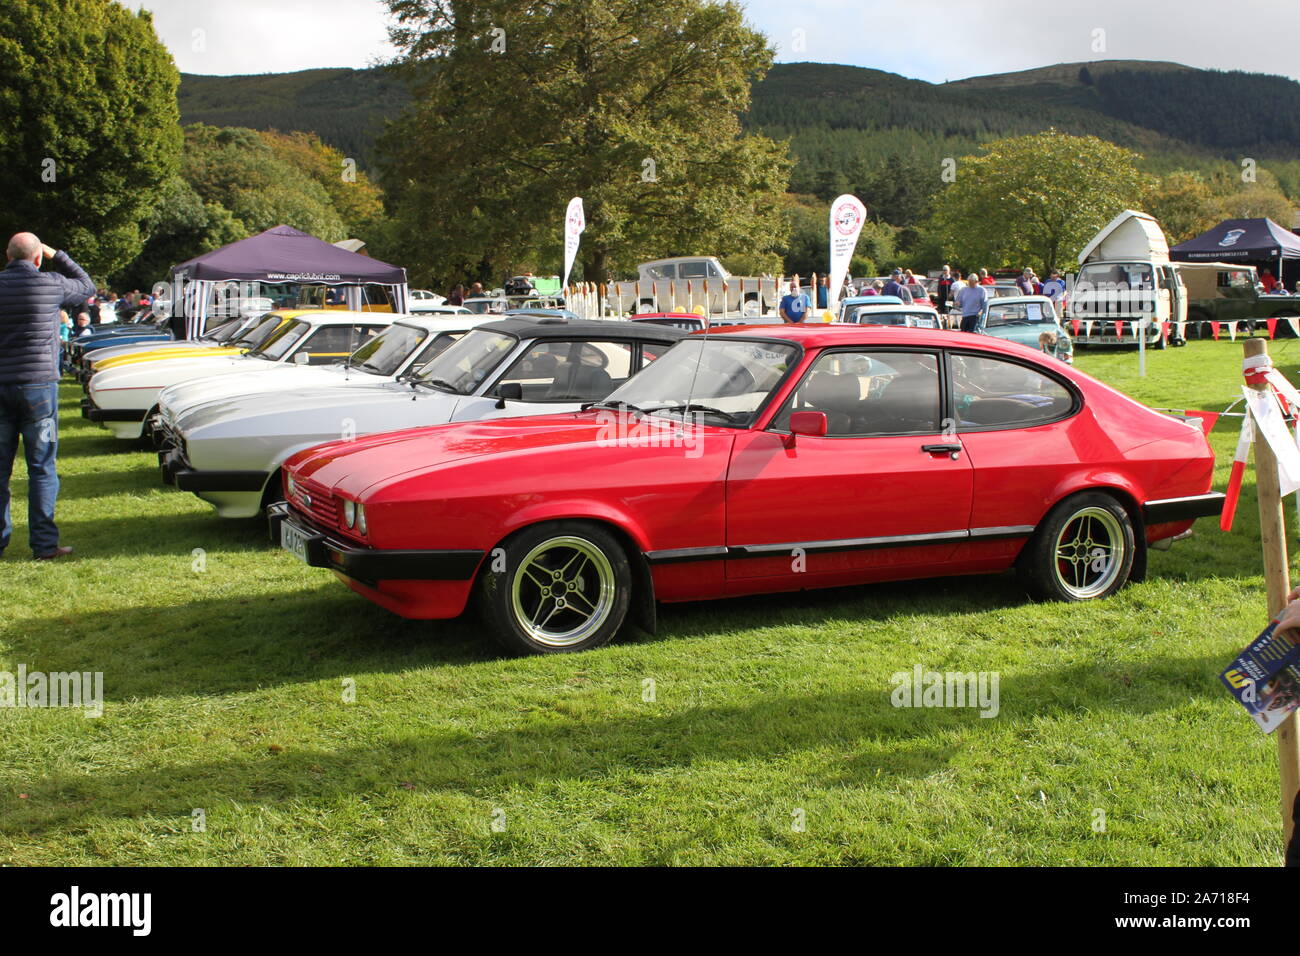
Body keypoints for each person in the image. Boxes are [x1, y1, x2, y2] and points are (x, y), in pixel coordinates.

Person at [0, 233, 95, 560]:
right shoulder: (51, 284)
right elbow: (87, 285)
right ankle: (43, 545)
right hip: (39, 387)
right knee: (41, 467)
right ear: (38, 258)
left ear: (7, 255)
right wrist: (58, 254)